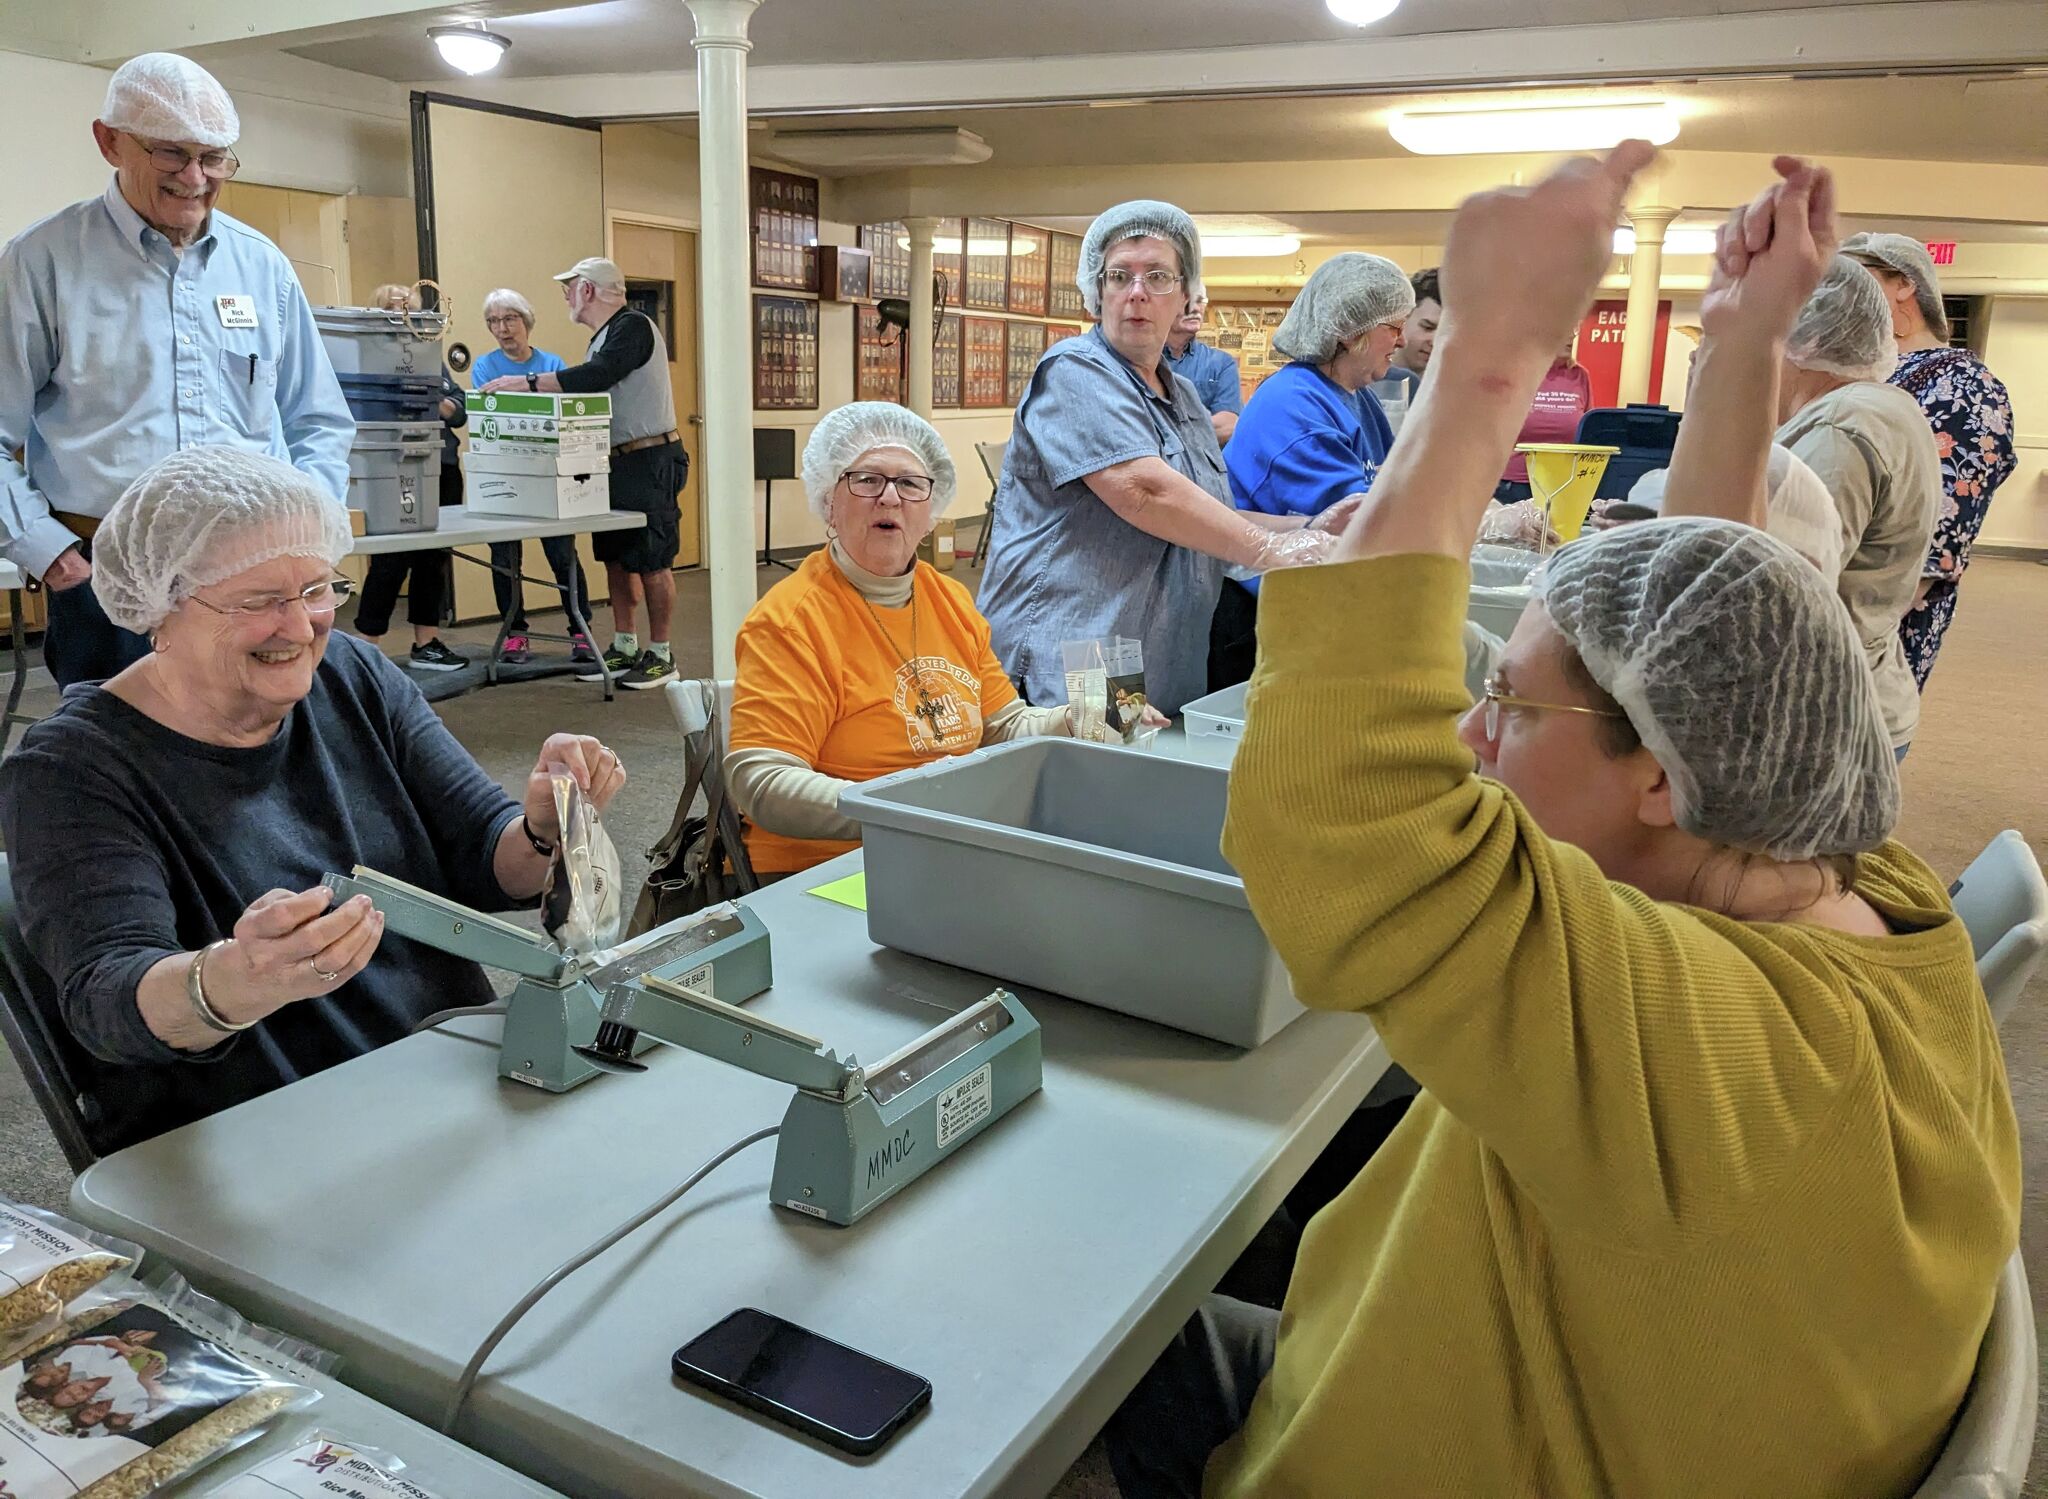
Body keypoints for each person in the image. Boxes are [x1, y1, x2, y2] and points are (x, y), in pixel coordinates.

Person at [1104, 148, 2016, 1499]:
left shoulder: (1670, 1042)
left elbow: (1350, 819)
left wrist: (1489, 357)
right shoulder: (1856, 882)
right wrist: (1743, 346)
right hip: (1569, 1368)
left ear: (1655, 780)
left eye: (1511, 705)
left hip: (1405, 1444)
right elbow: (1708, 621)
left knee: (1100, 1298)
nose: (1475, 736)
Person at [0, 447, 627, 1156]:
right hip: (264, 1138)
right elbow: (106, 1002)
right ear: (160, 608)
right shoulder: (72, 769)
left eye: (317, 589)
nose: (301, 628)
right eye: (259, 601)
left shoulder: (351, 674)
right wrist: (235, 980)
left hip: (447, 1083)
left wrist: (542, 828)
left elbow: (485, 857)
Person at [0, 52, 351, 688]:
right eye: (170, 153)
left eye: (213, 158)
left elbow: (319, 420)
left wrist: (310, 543)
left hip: (258, 578)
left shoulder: (262, 266)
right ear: (109, 142)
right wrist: (51, 554)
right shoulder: (40, 263)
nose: (195, 177)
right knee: (118, 748)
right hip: (103, 579)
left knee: (263, 739)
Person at [727, 406, 1145, 878]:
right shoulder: (791, 622)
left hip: (945, 845)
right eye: (867, 480)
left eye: (910, 484)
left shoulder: (948, 599)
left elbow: (1002, 725)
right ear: (829, 503)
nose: (889, 497)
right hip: (827, 868)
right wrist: (903, 808)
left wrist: (1076, 717)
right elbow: (762, 781)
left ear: (931, 511)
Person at [977, 200, 1340, 717]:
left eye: (1158, 276)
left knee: (1143, 765)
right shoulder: (1074, 371)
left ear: (1186, 295)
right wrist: (1270, 550)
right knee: (1093, 766)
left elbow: (1211, 520)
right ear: (1096, 293)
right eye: (1119, 276)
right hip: (1080, 655)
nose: (1137, 292)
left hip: (1160, 656)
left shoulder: (1184, 396)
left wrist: (1306, 529)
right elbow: (1145, 491)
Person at [1207, 252, 1412, 689]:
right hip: (1261, 626)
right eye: (1394, 327)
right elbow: (1360, 523)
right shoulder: (1294, 405)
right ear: (1349, 331)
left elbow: (1399, 483)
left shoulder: (1356, 395)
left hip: (1312, 610)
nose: (1402, 340)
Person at [482, 256, 683, 690]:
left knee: (653, 559)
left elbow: (597, 376)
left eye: (568, 289)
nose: (566, 298)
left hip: (649, 459)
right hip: (613, 461)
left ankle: (662, 654)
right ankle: (625, 644)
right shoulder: (602, 336)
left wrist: (527, 383)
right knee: (615, 557)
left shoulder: (633, 326)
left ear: (587, 290)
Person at [1774, 254, 1941, 759]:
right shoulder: (1880, 406)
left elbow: (1779, 594)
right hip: (1861, 692)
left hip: (1823, 719)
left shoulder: (1838, 432)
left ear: (1804, 343)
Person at [1842, 232, 2018, 688]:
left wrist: (1844, 636)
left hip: (1873, 630)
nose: (1840, 296)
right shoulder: (1858, 373)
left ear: (1904, 284)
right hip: (1819, 602)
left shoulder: (1962, 386)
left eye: (1856, 279)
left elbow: (1937, 535)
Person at [470, 287, 594, 667]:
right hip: (503, 474)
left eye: (509, 319)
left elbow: (559, 416)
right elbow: (491, 416)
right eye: (494, 321)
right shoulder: (484, 367)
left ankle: (581, 631)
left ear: (526, 322)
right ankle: (515, 634)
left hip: (547, 472)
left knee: (562, 555)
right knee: (504, 558)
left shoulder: (551, 363)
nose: (502, 329)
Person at [350, 284, 468, 672]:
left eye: (409, 310)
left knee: (434, 557)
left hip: (438, 465)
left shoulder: (429, 354)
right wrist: (424, 399)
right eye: (393, 309)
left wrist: (435, 401)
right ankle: (366, 647)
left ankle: (427, 642)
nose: (402, 317)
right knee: (391, 558)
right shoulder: (367, 355)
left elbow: (459, 409)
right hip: (391, 467)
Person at [1496, 340, 1594, 502]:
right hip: (1515, 485)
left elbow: (1589, 432)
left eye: (1574, 329)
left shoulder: (1580, 376)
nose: (1571, 336)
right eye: (1564, 329)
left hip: (1564, 484)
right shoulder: (1516, 374)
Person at [1162, 282, 1244, 446]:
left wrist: (1162, 433)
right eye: (1185, 301)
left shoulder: (1221, 364)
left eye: (1200, 301)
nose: (1195, 308)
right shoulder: (1142, 360)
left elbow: (1227, 426)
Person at [1379, 265, 1439, 397]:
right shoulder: (1363, 381)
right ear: (1402, 318)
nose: (1435, 341)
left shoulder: (1450, 393)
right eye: (1427, 327)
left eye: (1444, 333)